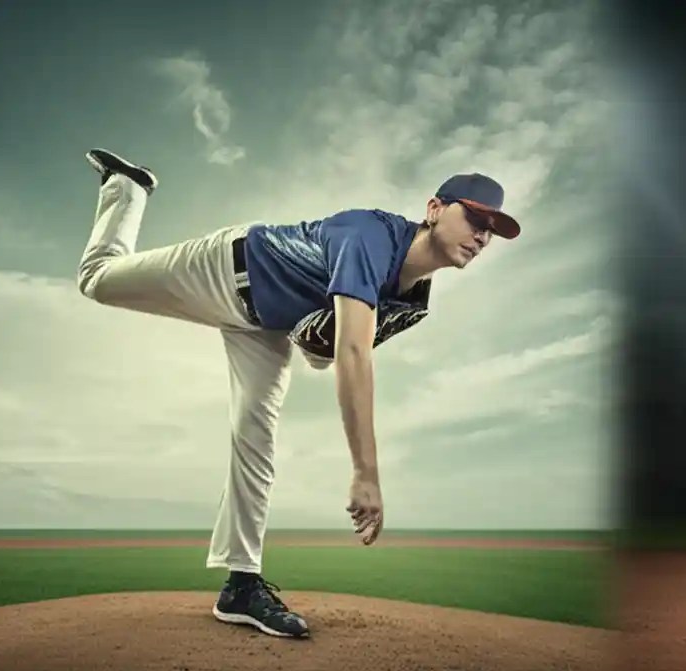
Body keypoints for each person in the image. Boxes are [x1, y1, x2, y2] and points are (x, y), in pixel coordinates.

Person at [76, 148, 521, 639]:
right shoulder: (370, 236)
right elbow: (352, 355)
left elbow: (323, 342)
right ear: (435, 208)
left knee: (256, 434)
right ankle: (127, 187)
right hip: (227, 269)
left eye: (492, 229)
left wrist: (318, 351)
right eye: (475, 217)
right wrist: (365, 475)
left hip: (266, 326)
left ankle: (240, 586)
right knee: (97, 280)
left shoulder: (413, 297)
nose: (482, 235)